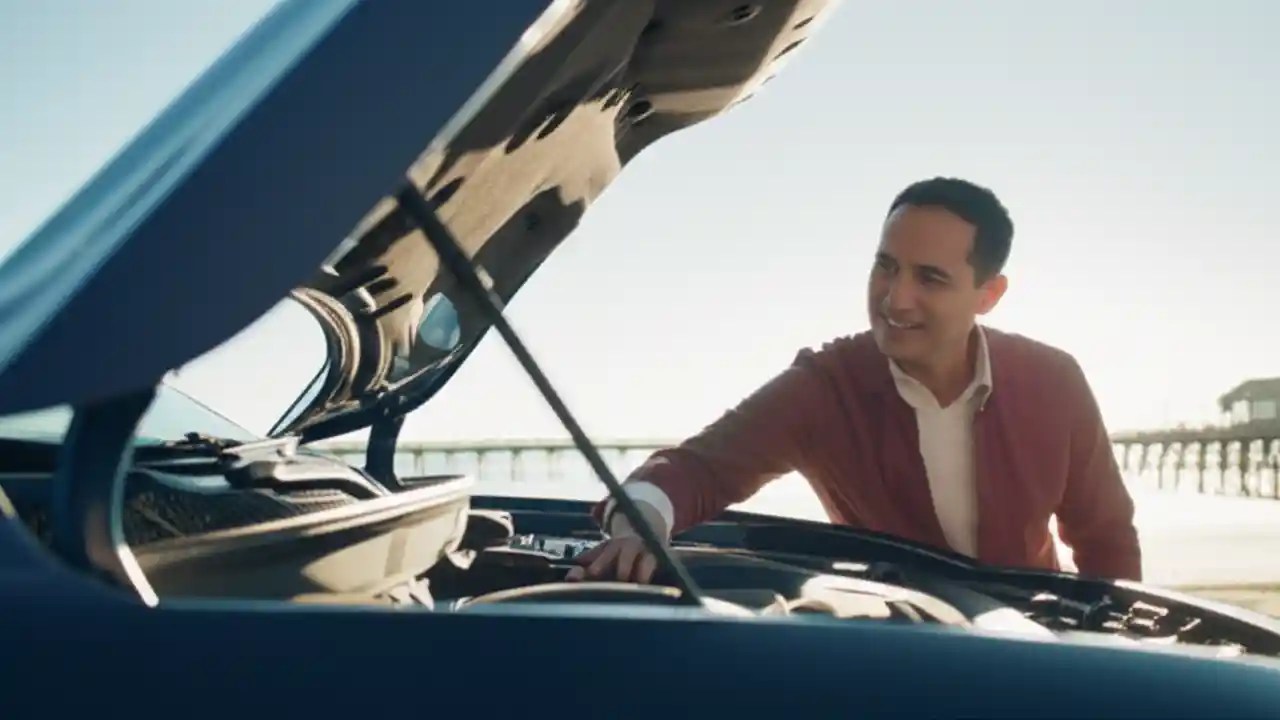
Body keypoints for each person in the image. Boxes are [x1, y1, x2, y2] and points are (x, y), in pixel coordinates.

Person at [567, 176, 1141, 585]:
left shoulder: (1054, 382)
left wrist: (1120, 663)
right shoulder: (826, 386)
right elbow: (697, 470)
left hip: (1034, 649)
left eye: (930, 278)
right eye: (886, 266)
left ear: (988, 294)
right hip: (896, 649)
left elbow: (1107, 539)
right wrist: (639, 526)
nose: (896, 298)